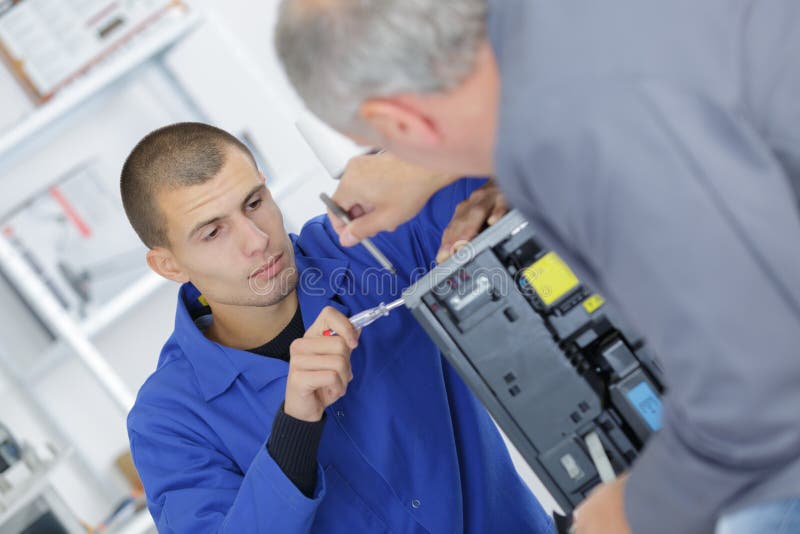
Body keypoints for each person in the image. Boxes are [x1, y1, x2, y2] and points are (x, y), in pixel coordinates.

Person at [274, 1, 800, 533]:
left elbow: (766, 394)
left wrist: (627, 510)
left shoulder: (583, 138)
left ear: (401, 122)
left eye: (380, 144)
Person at [120, 122, 552, 533]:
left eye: (254, 203)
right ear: (168, 264)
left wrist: (417, 167)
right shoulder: (167, 420)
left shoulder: (368, 244)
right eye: (213, 232)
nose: (257, 240)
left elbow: (551, 130)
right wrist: (295, 428)